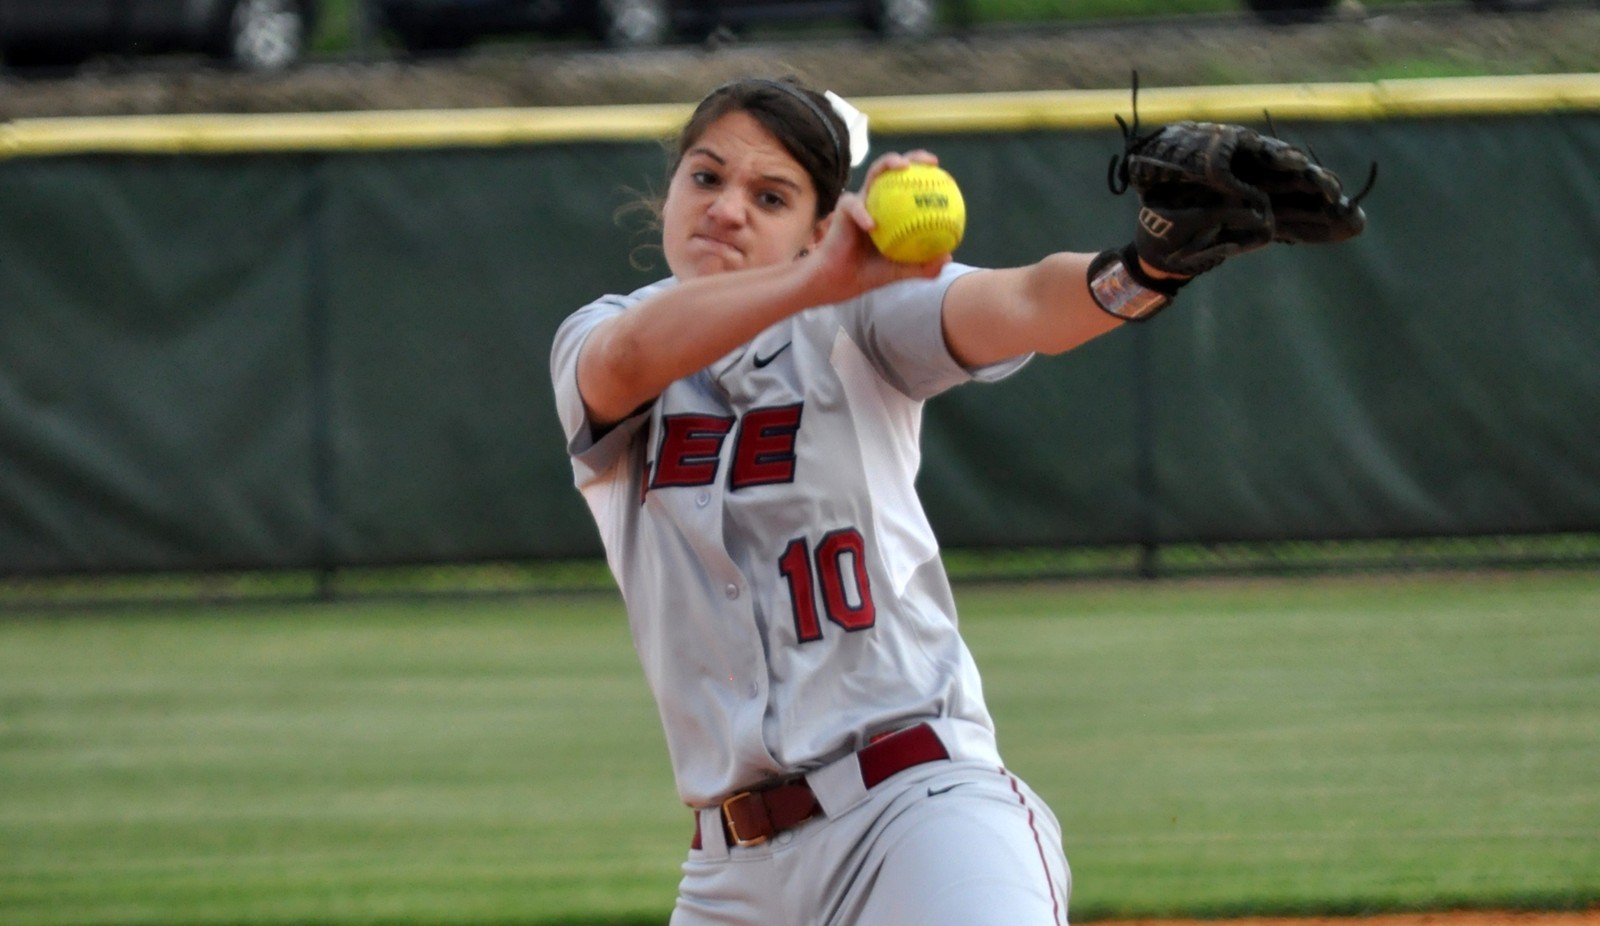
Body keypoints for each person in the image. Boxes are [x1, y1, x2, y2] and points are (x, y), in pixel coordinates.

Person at [550, 75, 1357, 926]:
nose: (727, 208)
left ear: (821, 228)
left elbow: (1020, 302)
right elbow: (631, 359)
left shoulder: (854, 321)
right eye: (706, 177)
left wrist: (1144, 270)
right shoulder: (599, 335)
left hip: (918, 814)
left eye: (771, 194)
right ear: (671, 189)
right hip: (729, 877)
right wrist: (815, 279)